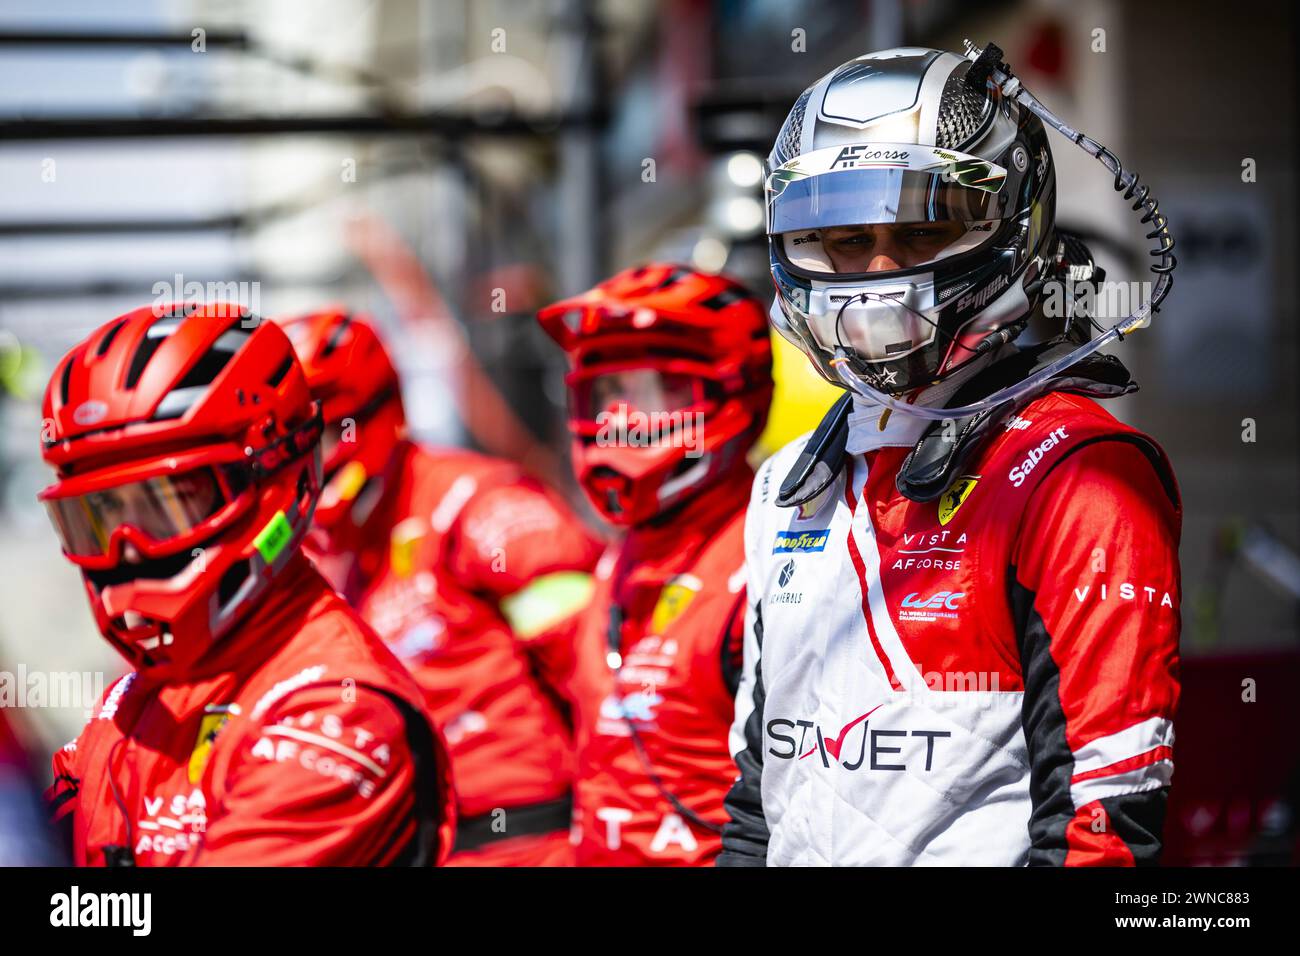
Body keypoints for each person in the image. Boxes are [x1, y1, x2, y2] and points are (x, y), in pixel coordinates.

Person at [720, 46, 1181, 866]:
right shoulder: (787, 487)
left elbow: (1103, 832)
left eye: (923, 230)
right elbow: (759, 807)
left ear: (1011, 225)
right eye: (844, 238)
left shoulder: (1075, 475)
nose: (879, 272)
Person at [39, 302, 454, 866]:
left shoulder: (333, 712)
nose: (127, 548)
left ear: (273, 481)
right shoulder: (135, 696)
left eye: (170, 502)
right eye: (102, 512)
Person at [282, 308, 601, 866]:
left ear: (371, 412)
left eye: (326, 434)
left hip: (532, 841)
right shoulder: (333, 552)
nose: (313, 462)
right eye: (292, 447)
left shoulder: (477, 505)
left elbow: (598, 671)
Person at [537, 263, 773, 865]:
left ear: (728, 390)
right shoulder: (624, 554)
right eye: (608, 394)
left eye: (651, 391)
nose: (621, 420)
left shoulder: (774, 557)